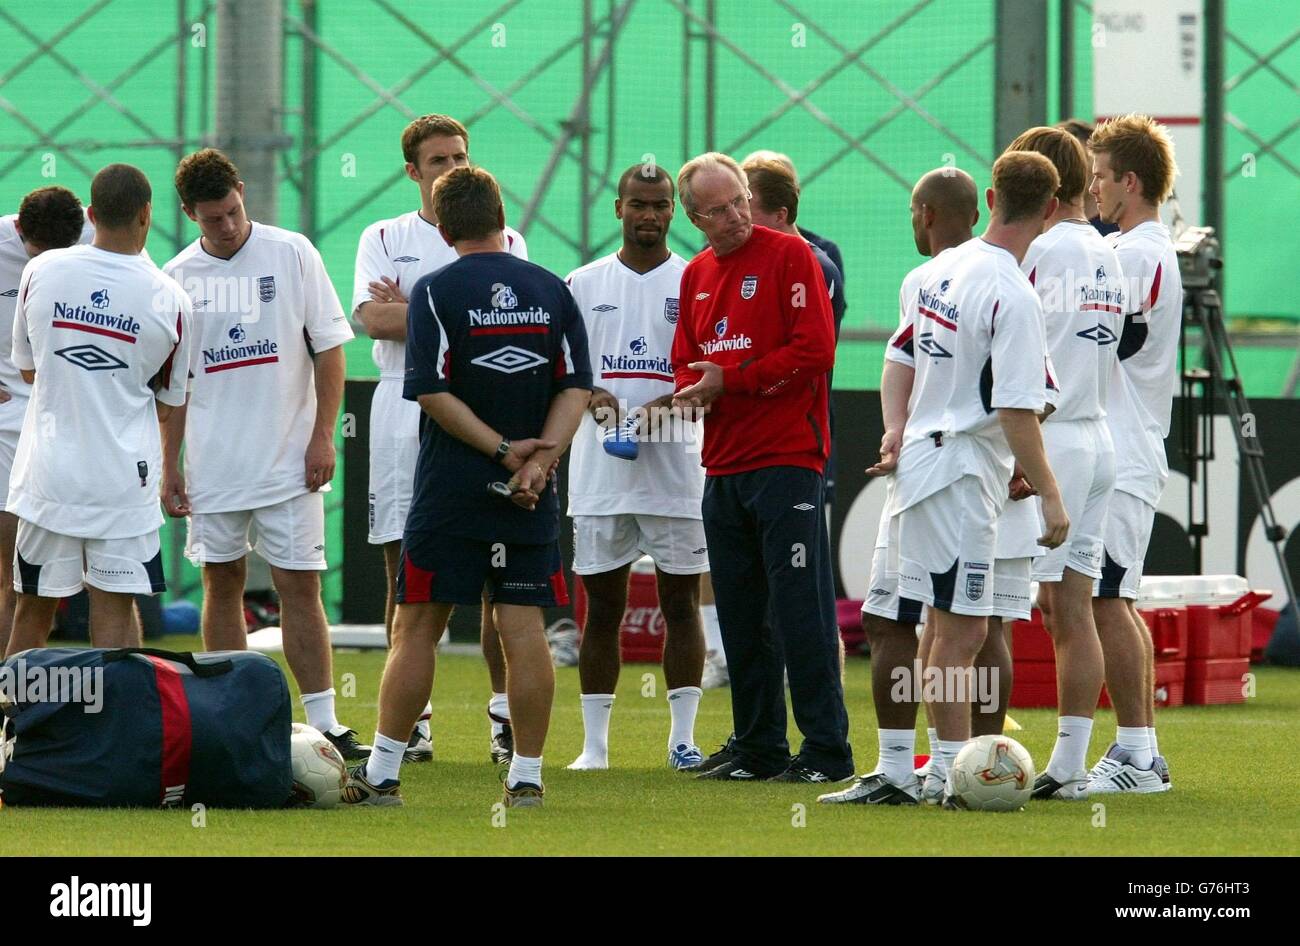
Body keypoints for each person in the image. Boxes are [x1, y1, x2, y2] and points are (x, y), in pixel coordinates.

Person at [341, 166, 591, 809]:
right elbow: (575, 387)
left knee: (419, 625)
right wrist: (539, 462)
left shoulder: (432, 291)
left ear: (445, 227)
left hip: (451, 487)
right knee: (523, 626)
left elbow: (430, 391)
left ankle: (386, 773)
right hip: (532, 490)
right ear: (503, 220)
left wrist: (503, 453)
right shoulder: (553, 290)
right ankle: (528, 777)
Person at [863, 151, 1069, 808]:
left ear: (991, 195)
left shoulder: (936, 270)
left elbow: (897, 356)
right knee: (963, 631)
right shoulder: (1012, 289)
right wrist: (1051, 492)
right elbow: (1016, 406)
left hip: (920, 461)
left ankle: (919, 771)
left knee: (931, 626)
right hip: (960, 471)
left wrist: (895, 427)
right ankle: (951, 777)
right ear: (1053, 210)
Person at [159, 149, 366, 760]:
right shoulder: (175, 277)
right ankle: (231, 722)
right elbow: (177, 385)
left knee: (299, 586)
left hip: (289, 460)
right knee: (220, 584)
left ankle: (325, 724)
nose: (226, 226)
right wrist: (171, 465)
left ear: (243, 193)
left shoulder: (292, 250)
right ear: (188, 213)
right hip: (215, 466)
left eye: (233, 211)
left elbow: (330, 350)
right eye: (212, 219)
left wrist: (323, 435)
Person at [353, 113, 529, 764]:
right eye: (438, 160)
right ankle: (412, 725)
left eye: (460, 157)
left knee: (497, 574)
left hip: (483, 412)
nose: (452, 168)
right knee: (405, 570)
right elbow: (373, 320)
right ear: (413, 172)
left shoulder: (508, 237)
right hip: (403, 409)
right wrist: (449, 313)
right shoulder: (382, 235)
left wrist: (418, 308)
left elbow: (506, 327)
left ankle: (503, 719)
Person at [671, 152, 853, 784]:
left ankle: (827, 752)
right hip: (721, 464)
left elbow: (816, 349)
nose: (736, 216)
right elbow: (685, 364)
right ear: (693, 217)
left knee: (799, 609)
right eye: (719, 209)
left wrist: (735, 381)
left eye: (741, 200)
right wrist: (693, 389)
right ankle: (758, 747)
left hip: (787, 459)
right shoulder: (695, 275)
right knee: (742, 615)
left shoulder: (791, 256)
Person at [820, 167, 980, 805]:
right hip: (915, 467)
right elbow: (903, 356)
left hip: (970, 474)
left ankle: (953, 767)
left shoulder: (998, 279)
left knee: (964, 627)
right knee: (888, 617)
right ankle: (895, 770)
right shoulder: (922, 282)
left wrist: (1028, 467)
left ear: (927, 213)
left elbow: (1027, 389)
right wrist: (894, 428)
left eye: (913, 213)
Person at [4, 164, 190, 656]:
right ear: (147, 214)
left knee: (33, 609)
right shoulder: (171, 298)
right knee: (114, 606)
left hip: (49, 477)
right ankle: (121, 731)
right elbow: (170, 405)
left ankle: (13, 725)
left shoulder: (41, 271)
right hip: (124, 482)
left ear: (90, 214)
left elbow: (27, 371)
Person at [992, 127, 1128, 801]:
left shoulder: (1037, 250)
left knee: (1010, 604)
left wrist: (1026, 458)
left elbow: (1023, 346)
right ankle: (1070, 765)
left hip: (1055, 435)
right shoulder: (1107, 252)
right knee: (1074, 606)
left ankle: (972, 750)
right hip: (1101, 436)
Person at [564, 163, 707, 772]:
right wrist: (590, 396)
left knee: (681, 605)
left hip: (677, 467)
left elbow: (710, 369)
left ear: (674, 210)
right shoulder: (582, 281)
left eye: (661, 205)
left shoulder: (699, 280)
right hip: (600, 474)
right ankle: (595, 747)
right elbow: (563, 370)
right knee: (602, 609)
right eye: (638, 205)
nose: (650, 215)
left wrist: (671, 402)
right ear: (616, 207)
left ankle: (682, 740)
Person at [1085, 114, 1183, 795]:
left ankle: (1137, 756)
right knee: (1115, 598)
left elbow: (1111, 341)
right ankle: (1139, 750)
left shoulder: (1136, 254)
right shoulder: (1133, 248)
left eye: (1098, 177)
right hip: (1124, 446)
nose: (1092, 190)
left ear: (1130, 181)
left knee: (1105, 600)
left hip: (1121, 450)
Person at [0, 186, 90, 655]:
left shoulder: (101, 240)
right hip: (7, 424)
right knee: (13, 574)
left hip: (80, 421)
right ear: (20, 230)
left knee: (109, 579)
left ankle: (130, 712)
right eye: (39, 255)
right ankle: (6, 703)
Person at [1057, 118, 1119, 238]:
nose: (1072, 167)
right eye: (1064, 160)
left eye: (1080, 158)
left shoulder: (1119, 229)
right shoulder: (1040, 230)